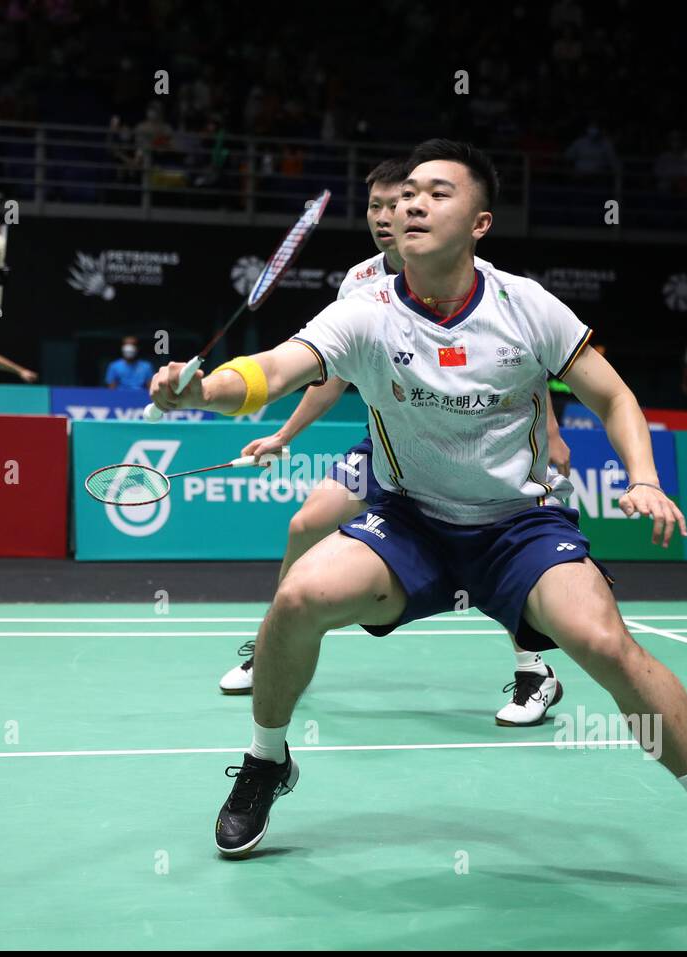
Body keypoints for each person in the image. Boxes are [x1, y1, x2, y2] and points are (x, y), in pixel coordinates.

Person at [151, 139, 687, 905]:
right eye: (407, 192)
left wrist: (643, 478)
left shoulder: (526, 305)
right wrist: (202, 391)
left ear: (478, 222)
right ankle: (267, 760)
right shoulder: (365, 311)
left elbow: (613, 396)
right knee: (299, 596)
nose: (412, 203)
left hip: (519, 523)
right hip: (411, 520)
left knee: (603, 639)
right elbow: (276, 370)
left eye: (436, 193)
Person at [217, 157, 572, 728]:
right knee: (307, 523)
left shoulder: (471, 275)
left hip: (473, 443)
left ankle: (534, 670)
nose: (387, 216)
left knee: (498, 539)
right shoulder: (359, 284)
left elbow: (520, 367)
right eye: (376, 206)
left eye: (396, 203)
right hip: (389, 439)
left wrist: (550, 429)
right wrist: (284, 433)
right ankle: (271, 646)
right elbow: (330, 372)